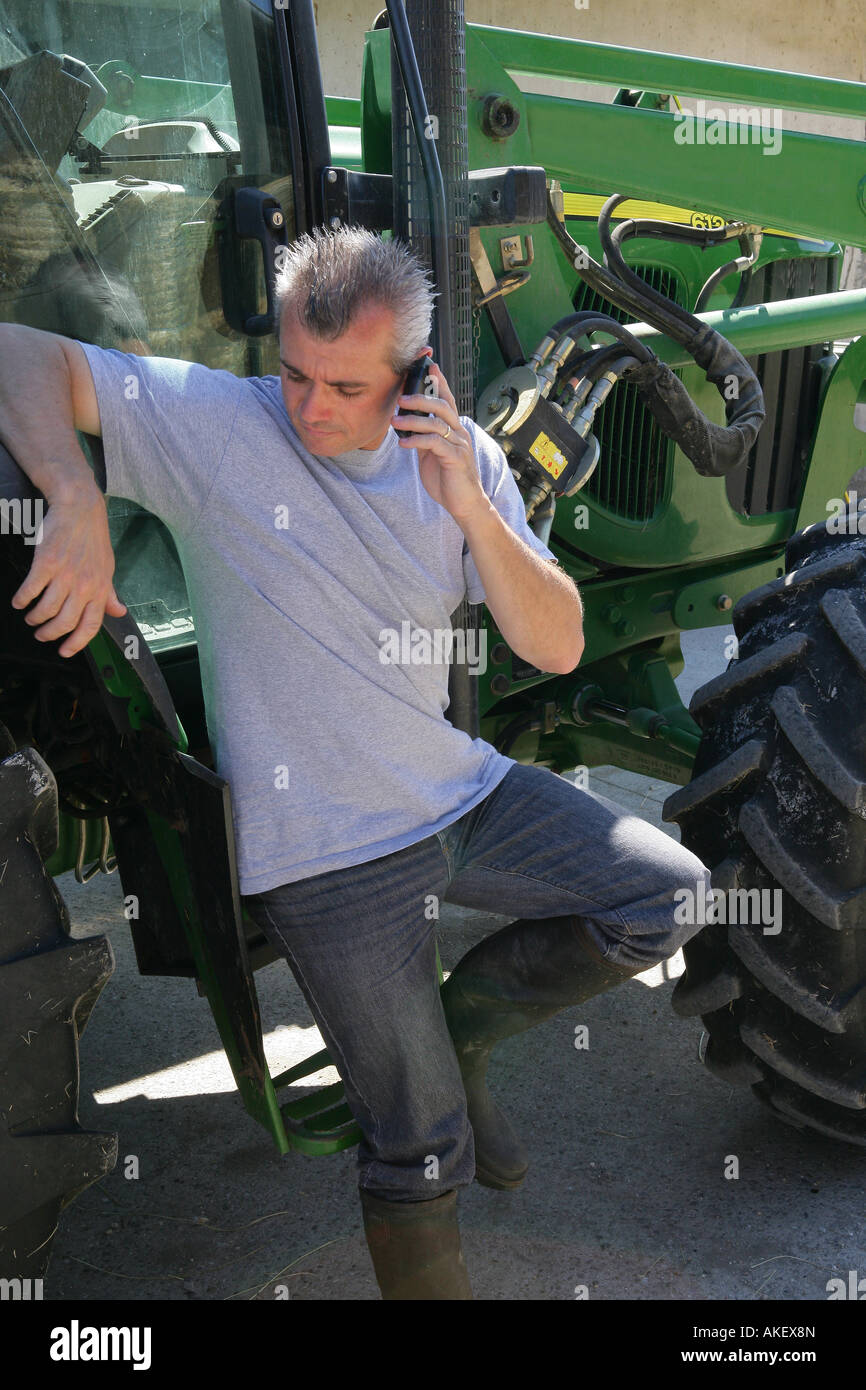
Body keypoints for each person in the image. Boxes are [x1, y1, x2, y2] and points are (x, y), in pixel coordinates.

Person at [0, 226, 712, 1300]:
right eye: (293, 371)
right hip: (330, 854)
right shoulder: (218, 426)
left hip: (457, 790)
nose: (308, 405)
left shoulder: (458, 457)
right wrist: (77, 497)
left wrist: (472, 503)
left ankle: (464, 1028)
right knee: (417, 1145)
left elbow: (555, 644)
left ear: (415, 375)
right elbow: (18, 352)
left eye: (342, 384)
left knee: (669, 895)